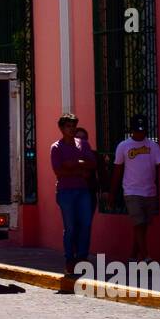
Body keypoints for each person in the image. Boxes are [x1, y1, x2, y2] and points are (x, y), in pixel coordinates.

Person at [110, 113, 160, 261]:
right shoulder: (123, 146)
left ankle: (133, 255)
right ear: (132, 130)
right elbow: (117, 170)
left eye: (143, 130)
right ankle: (146, 257)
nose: (140, 133)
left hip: (149, 191)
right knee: (139, 222)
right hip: (131, 191)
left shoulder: (153, 145)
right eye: (137, 130)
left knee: (142, 226)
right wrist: (112, 192)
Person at [49, 113, 95, 275]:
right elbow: (59, 171)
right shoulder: (56, 148)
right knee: (70, 227)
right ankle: (70, 259)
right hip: (65, 191)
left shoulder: (83, 144)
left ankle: (82, 257)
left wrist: (75, 164)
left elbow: (91, 164)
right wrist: (79, 171)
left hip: (82, 190)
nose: (72, 129)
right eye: (68, 126)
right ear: (61, 128)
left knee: (86, 224)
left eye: (73, 125)